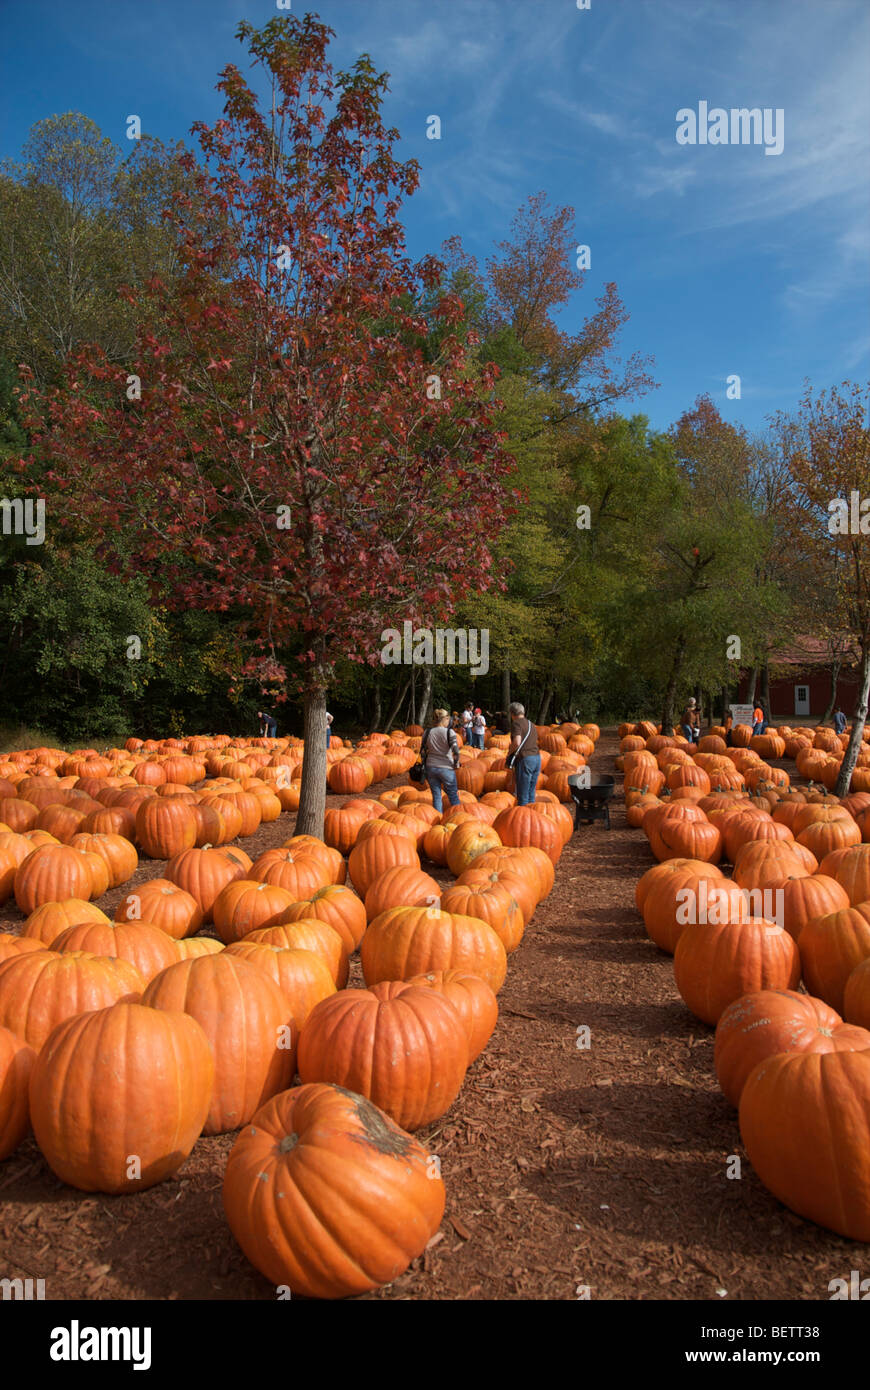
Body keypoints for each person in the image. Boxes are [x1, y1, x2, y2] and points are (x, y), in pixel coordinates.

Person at [422, 709, 461, 813]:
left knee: (436, 796)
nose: (449, 721)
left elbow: (423, 751)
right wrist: (456, 764)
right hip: (446, 768)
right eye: (448, 719)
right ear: (445, 719)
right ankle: (458, 817)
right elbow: (456, 751)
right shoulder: (449, 732)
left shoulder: (427, 732)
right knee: (453, 795)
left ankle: (438, 818)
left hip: (431, 767)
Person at [508, 701, 540, 806]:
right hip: (537, 758)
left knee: (523, 795)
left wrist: (509, 752)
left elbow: (517, 742)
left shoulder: (516, 723)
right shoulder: (531, 724)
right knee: (531, 793)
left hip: (526, 760)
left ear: (512, 714)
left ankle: (524, 819)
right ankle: (531, 817)